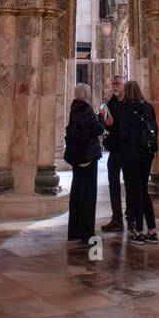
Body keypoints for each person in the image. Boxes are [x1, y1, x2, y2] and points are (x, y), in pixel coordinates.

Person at [107, 80, 159, 243]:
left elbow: (121, 133)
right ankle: (152, 231)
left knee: (135, 192)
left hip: (131, 156)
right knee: (143, 190)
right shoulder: (148, 107)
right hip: (147, 154)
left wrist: (112, 133)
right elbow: (155, 129)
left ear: (127, 92)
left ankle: (138, 231)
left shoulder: (125, 108)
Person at [64, 84, 104, 246]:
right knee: (88, 195)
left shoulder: (74, 109)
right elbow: (98, 130)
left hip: (76, 156)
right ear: (86, 95)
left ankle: (74, 232)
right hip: (88, 155)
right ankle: (87, 234)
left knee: (77, 192)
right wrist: (101, 117)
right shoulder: (87, 109)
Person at [100, 75, 129, 232]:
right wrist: (107, 123)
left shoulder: (129, 103)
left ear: (124, 86)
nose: (115, 86)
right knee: (113, 183)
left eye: (118, 83)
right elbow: (109, 124)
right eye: (114, 83)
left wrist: (115, 123)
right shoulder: (111, 102)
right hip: (115, 148)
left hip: (128, 149)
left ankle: (131, 216)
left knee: (129, 183)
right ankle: (117, 218)